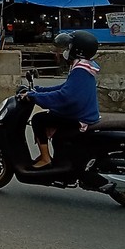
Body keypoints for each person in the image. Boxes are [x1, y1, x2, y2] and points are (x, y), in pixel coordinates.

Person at [22, 30, 101, 169]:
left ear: (77, 50)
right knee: (49, 119)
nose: (66, 50)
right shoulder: (84, 67)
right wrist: (39, 91)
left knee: (38, 120)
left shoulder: (80, 70)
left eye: (68, 47)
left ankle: (45, 159)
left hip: (80, 117)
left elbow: (64, 96)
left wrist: (34, 97)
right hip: (82, 112)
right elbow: (64, 88)